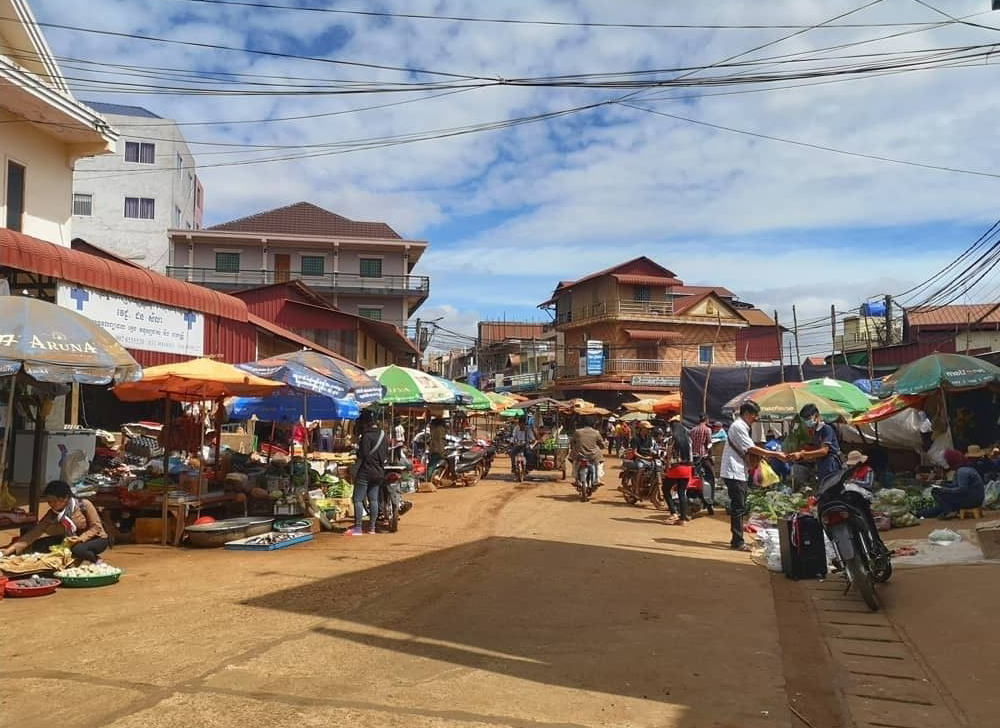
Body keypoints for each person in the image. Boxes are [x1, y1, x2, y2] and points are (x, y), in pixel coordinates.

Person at [721, 402, 785, 551]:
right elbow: (750, 448)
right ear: (747, 414)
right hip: (733, 470)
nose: (755, 418)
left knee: (739, 506)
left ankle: (737, 540)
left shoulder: (742, 426)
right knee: (738, 507)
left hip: (738, 470)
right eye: (755, 415)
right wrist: (774, 454)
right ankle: (737, 541)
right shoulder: (738, 426)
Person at [2, 480, 108, 562]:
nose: (51, 504)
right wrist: (10, 550)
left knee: (77, 549)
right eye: (49, 501)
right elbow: (35, 532)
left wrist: (80, 539)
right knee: (38, 545)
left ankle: (96, 560)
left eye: (54, 501)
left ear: (65, 498)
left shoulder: (84, 504)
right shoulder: (52, 513)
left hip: (96, 539)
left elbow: (96, 527)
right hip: (70, 540)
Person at [347, 412, 388, 536]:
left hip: (365, 472)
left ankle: (358, 528)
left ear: (364, 424)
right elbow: (385, 453)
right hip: (379, 471)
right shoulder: (383, 434)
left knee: (358, 499)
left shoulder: (366, 436)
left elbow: (363, 455)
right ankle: (372, 528)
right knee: (374, 499)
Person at [916, 449, 986, 519]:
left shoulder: (962, 471)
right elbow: (955, 485)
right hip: (974, 498)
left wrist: (944, 490)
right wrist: (943, 484)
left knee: (935, 492)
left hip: (972, 500)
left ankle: (948, 512)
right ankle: (918, 513)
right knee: (941, 507)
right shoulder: (963, 469)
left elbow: (962, 489)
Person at [788, 404, 842, 484]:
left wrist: (803, 454)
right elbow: (817, 448)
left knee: (829, 487)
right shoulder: (815, 431)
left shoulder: (826, 429)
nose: (807, 422)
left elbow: (824, 451)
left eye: (808, 419)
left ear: (817, 416)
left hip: (831, 464)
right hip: (821, 463)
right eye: (805, 420)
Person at [664, 415, 699, 524]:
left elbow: (668, 455)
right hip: (687, 469)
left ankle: (673, 513)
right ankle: (683, 519)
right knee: (681, 492)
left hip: (676, 468)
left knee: (665, 489)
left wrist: (666, 466)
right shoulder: (688, 439)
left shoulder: (672, 439)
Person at [690, 414, 716, 513]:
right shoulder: (707, 430)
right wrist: (711, 456)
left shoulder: (692, 430)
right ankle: (710, 502)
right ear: (706, 420)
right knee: (710, 478)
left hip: (693, 458)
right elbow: (709, 444)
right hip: (703, 458)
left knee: (695, 477)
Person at [569, 416, 606, 487]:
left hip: (580, 455)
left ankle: (576, 479)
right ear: (593, 424)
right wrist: (602, 446)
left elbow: (572, 443)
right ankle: (597, 479)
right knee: (600, 462)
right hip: (593, 456)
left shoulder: (578, 432)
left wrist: (573, 446)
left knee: (574, 462)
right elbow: (602, 445)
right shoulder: (596, 433)